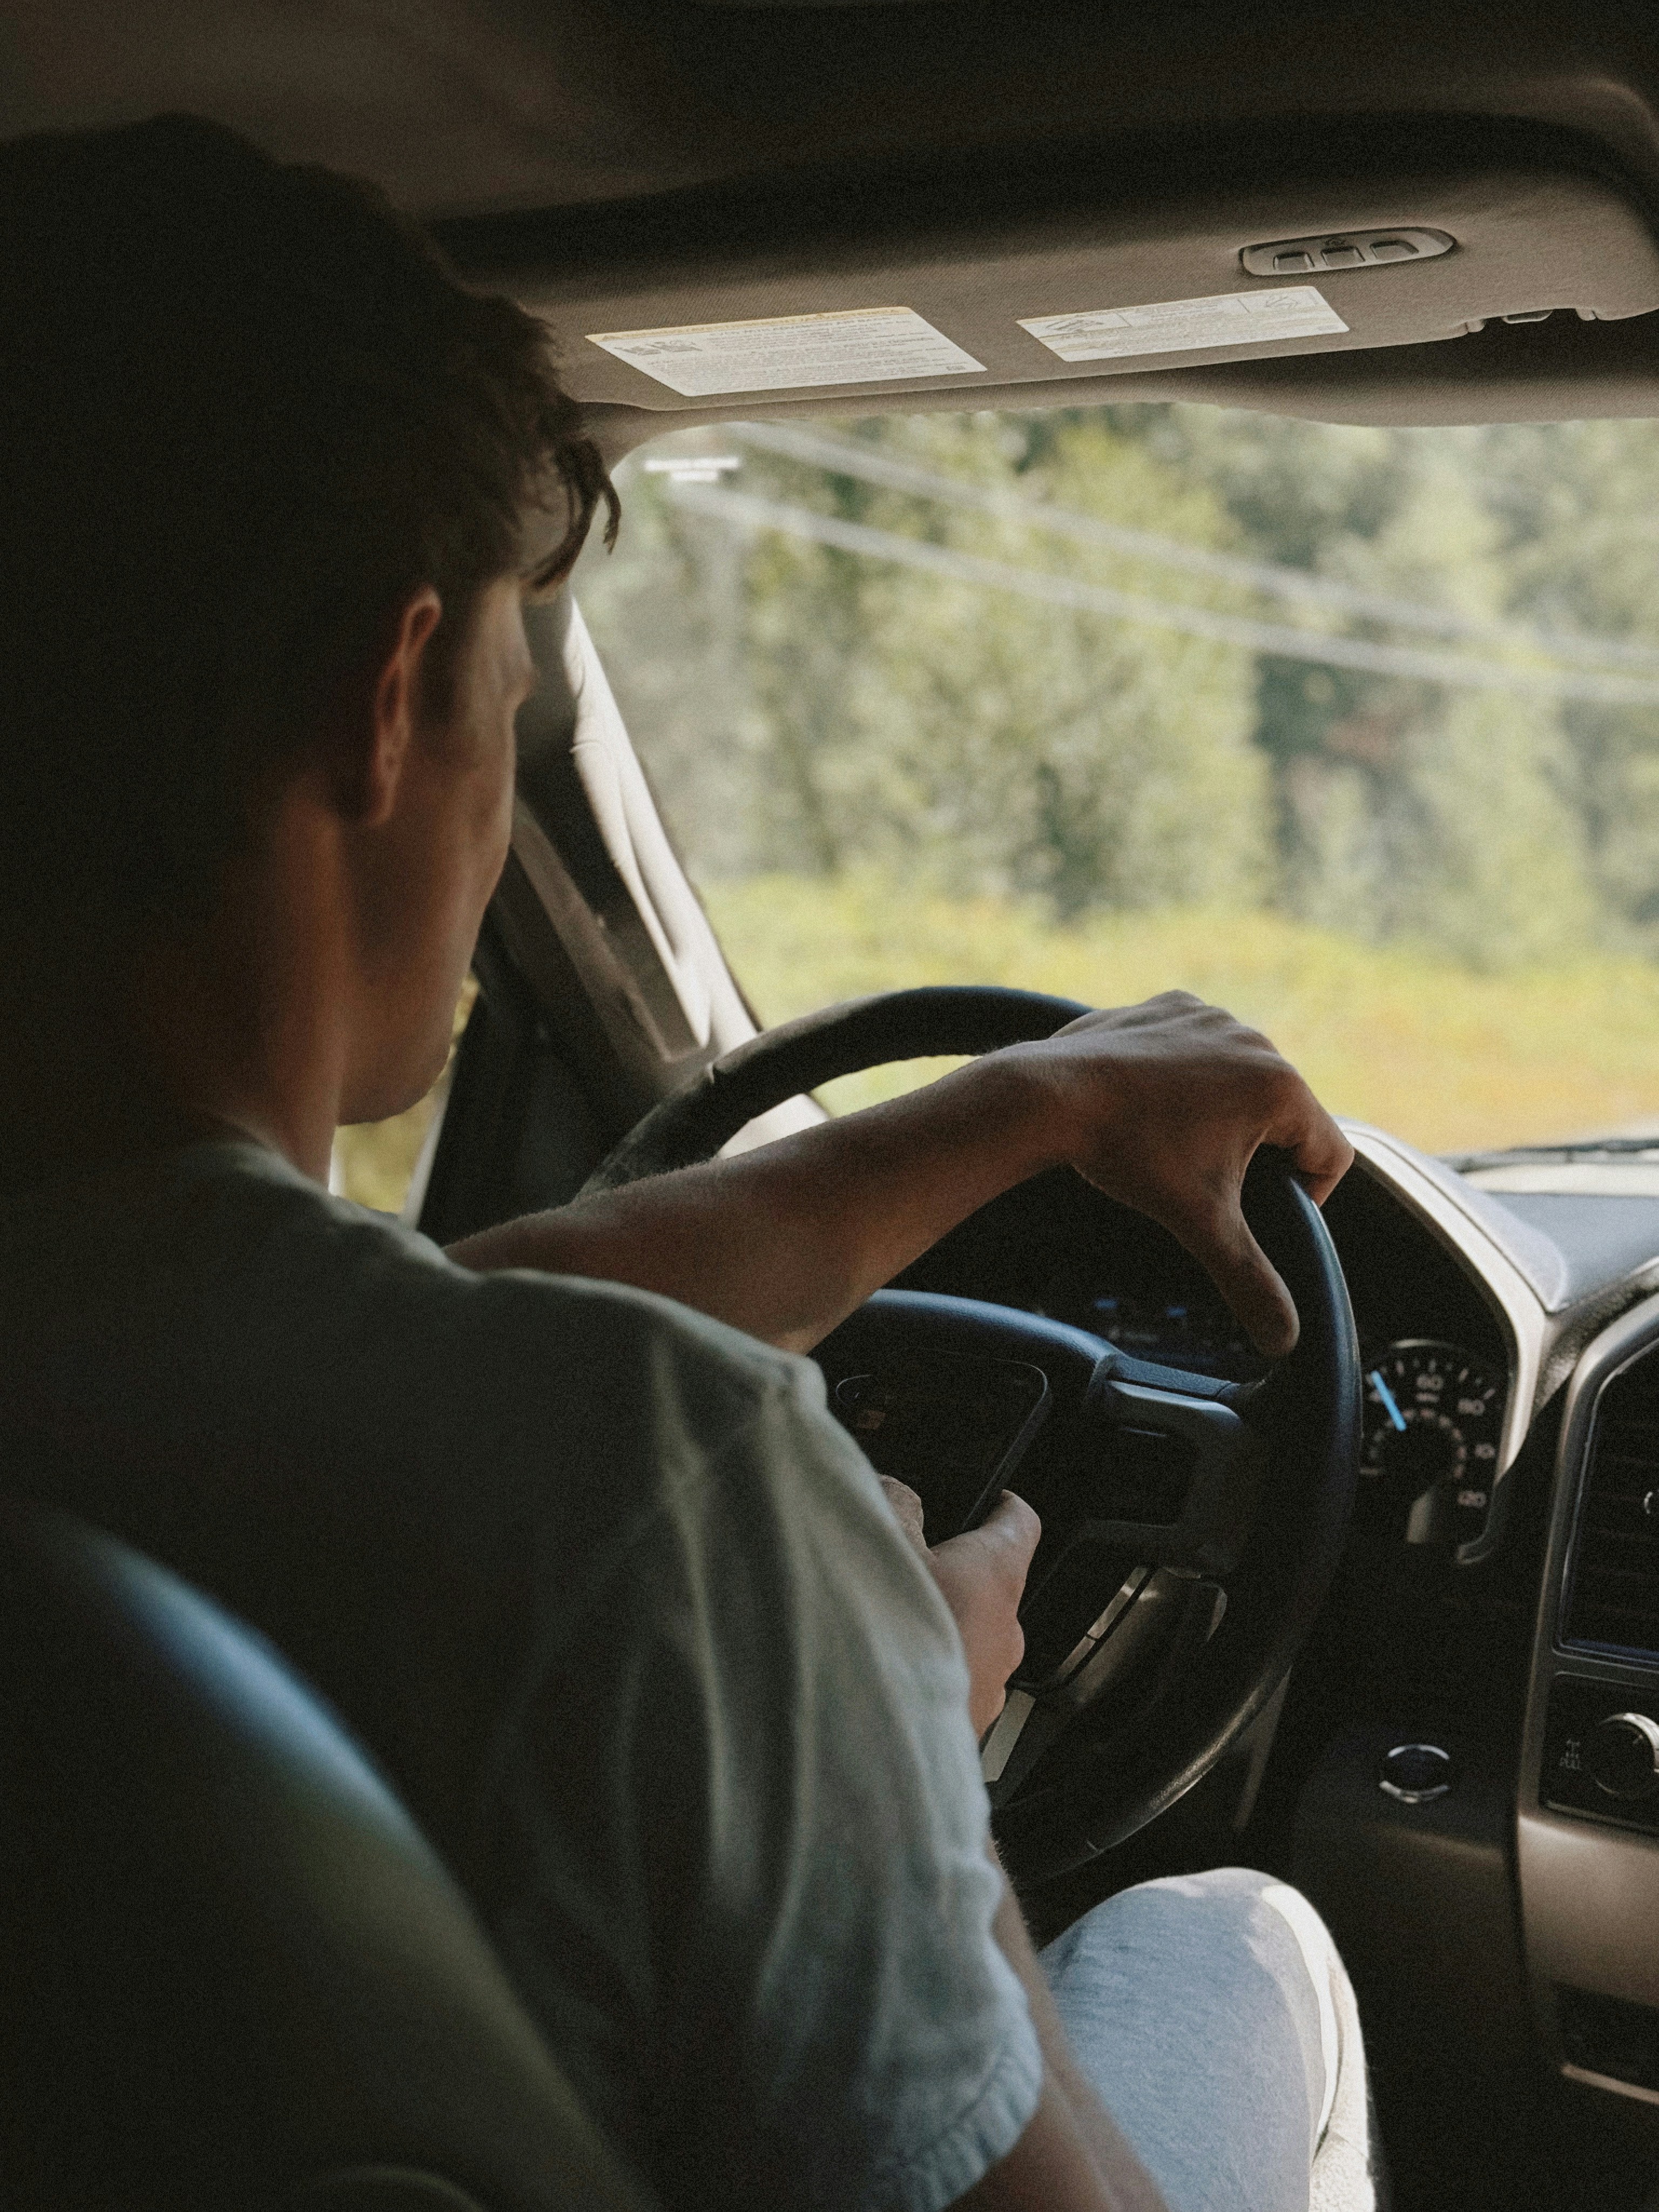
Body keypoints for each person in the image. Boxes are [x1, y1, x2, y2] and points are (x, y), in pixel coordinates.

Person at [0, 114, 1377, 2212]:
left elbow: (469, 1325)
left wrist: (1031, 1104)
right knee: (1235, 1948)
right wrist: (901, 1718)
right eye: (502, 692)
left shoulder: (219, 1367)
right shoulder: (666, 1523)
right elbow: (545, 1408)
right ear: (390, 701)